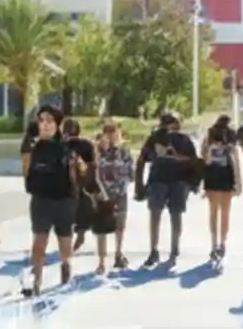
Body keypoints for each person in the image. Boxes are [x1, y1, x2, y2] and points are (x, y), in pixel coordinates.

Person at [22, 104, 77, 296]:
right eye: (41, 121)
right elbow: (27, 171)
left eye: (49, 121)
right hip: (41, 200)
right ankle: (35, 279)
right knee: (39, 241)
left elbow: (74, 174)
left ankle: (66, 266)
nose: (44, 125)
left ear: (57, 125)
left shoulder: (66, 146)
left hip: (63, 200)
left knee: (64, 242)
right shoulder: (32, 146)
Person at [134, 113, 200, 268]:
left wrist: (193, 182)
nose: (170, 127)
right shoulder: (155, 138)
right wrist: (139, 184)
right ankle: (155, 250)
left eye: (173, 123)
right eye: (168, 123)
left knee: (174, 214)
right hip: (159, 179)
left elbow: (194, 161)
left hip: (178, 180)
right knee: (158, 214)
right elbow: (142, 160)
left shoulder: (183, 139)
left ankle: (173, 250)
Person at [93, 122, 135, 273]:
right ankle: (101, 261)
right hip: (103, 194)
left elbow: (132, 173)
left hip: (120, 193)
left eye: (114, 133)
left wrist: (123, 182)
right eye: (108, 133)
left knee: (120, 225)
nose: (111, 136)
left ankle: (118, 253)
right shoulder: (98, 151)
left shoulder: (124, 151)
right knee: (102, 229)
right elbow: (95, 172)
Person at [203, 115, 243, 264]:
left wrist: (238, 182)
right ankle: (215, 244)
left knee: (222, 211)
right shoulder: (209, 140)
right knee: (217, 211)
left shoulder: (230, 143)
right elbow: (206, 161)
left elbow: (236, 160)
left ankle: (221, 243)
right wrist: (211, 149)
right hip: (214, 176)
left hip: (224, 176)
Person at [62, 118, 98, 253]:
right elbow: (93, 163)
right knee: (79, 210)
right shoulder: (84, 144)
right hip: (74, 182)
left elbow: (92, 164)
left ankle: (77, 237)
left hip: (78, 181)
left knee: (78, 210)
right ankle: (77, 236)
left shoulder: (80, 144)